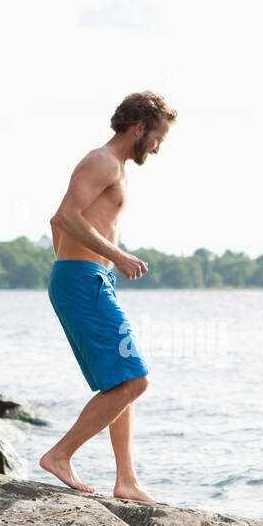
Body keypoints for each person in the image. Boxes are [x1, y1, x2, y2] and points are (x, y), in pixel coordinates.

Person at [40, 90, 177, 500]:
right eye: (158, 137)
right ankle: (60, 454)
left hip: (86, 277)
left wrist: (76, 265)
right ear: (138, 127)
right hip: (85, 279)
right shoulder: (103, 161)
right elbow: (66, 216)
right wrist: (110, 258)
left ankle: (126, 480)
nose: (158, 147)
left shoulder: (113, 165)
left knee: (122, 380)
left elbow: (56, 222)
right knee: (135, 380)